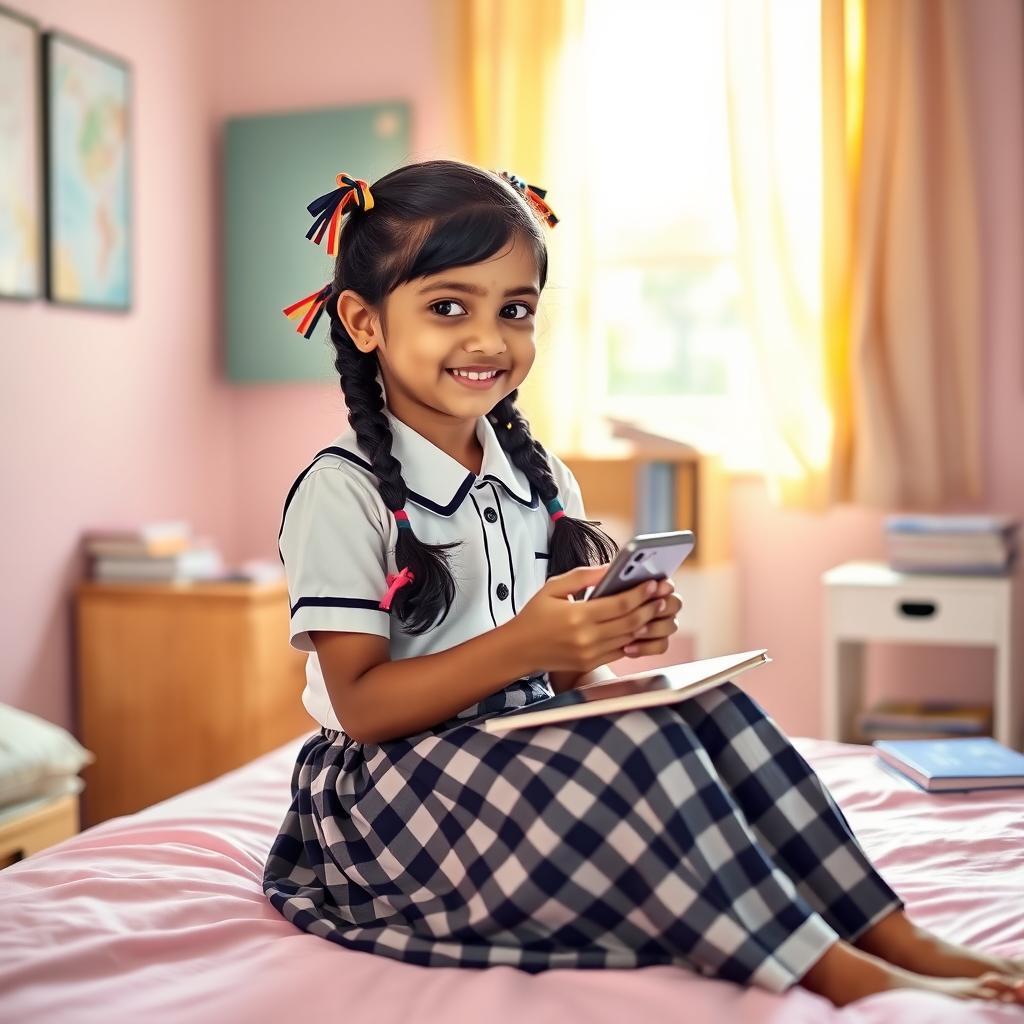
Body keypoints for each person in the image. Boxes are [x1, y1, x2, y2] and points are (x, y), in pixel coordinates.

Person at [263, 159, 1024, 1007]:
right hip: (385, 794)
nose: (489, 340)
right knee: (640, 749)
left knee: (710, 707)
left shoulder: (538, 473)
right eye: (448, 307)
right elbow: (363, 707)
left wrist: (599, 641)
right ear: (365, 322)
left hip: (505, 744)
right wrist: (526, 644)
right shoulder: (342, 490)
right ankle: (830, 969)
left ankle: (891, 931)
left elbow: (550, 679)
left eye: (514, 310)